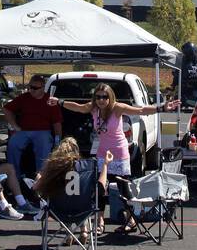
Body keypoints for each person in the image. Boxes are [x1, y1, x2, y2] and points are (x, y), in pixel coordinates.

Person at [53, 84, 179, 234]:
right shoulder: (93, 108)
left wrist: (162, 107)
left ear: (110, 97)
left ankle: (131, 219)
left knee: (123, 188)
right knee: (99, 188)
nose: (101, 100)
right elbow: (77, 107)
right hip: (102, 153)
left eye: (104, 97)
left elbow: (141, 110)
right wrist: (60, 102)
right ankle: (99, 222)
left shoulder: (117, 108)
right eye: (98, 97)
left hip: (119, 152)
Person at [2, 75, 63, 214]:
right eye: (30, 87)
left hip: (43, 131)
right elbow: (6, 109)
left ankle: (40, 182)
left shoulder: (50, 100)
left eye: (35, 88)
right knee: (13, 144)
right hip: (24, 131)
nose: (31, 90)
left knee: (43, 145)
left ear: (42, 88)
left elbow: (57, 122)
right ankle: (14, 179)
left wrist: (58, 139)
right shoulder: (24, 98)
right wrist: (15, 126)